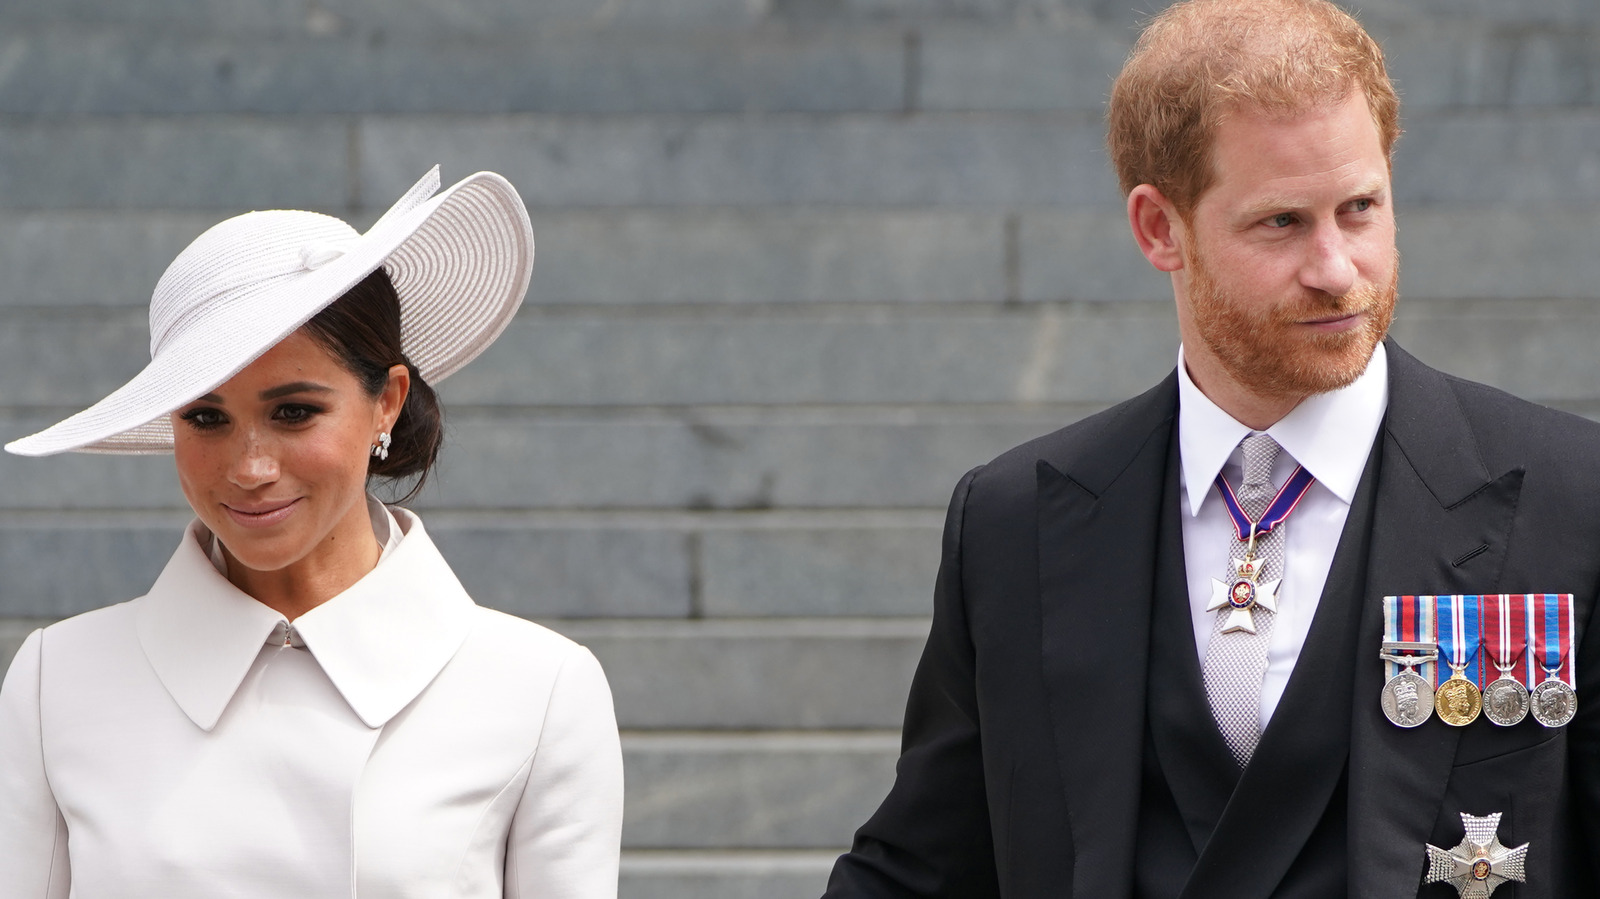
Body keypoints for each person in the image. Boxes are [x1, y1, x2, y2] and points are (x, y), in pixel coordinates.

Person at [822, 1, 1600, 896]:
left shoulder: (1572, 500)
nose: (1338, 267)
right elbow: (920, 869)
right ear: (1160, 229)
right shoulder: (1013, 525)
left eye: (1360, 207)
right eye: (1282, 223)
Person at [0, 168, 625, 898]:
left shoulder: (539, 689)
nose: (250, 466)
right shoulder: (59, 680)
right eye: (206, 417)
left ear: (386, 402)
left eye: (294, 411)